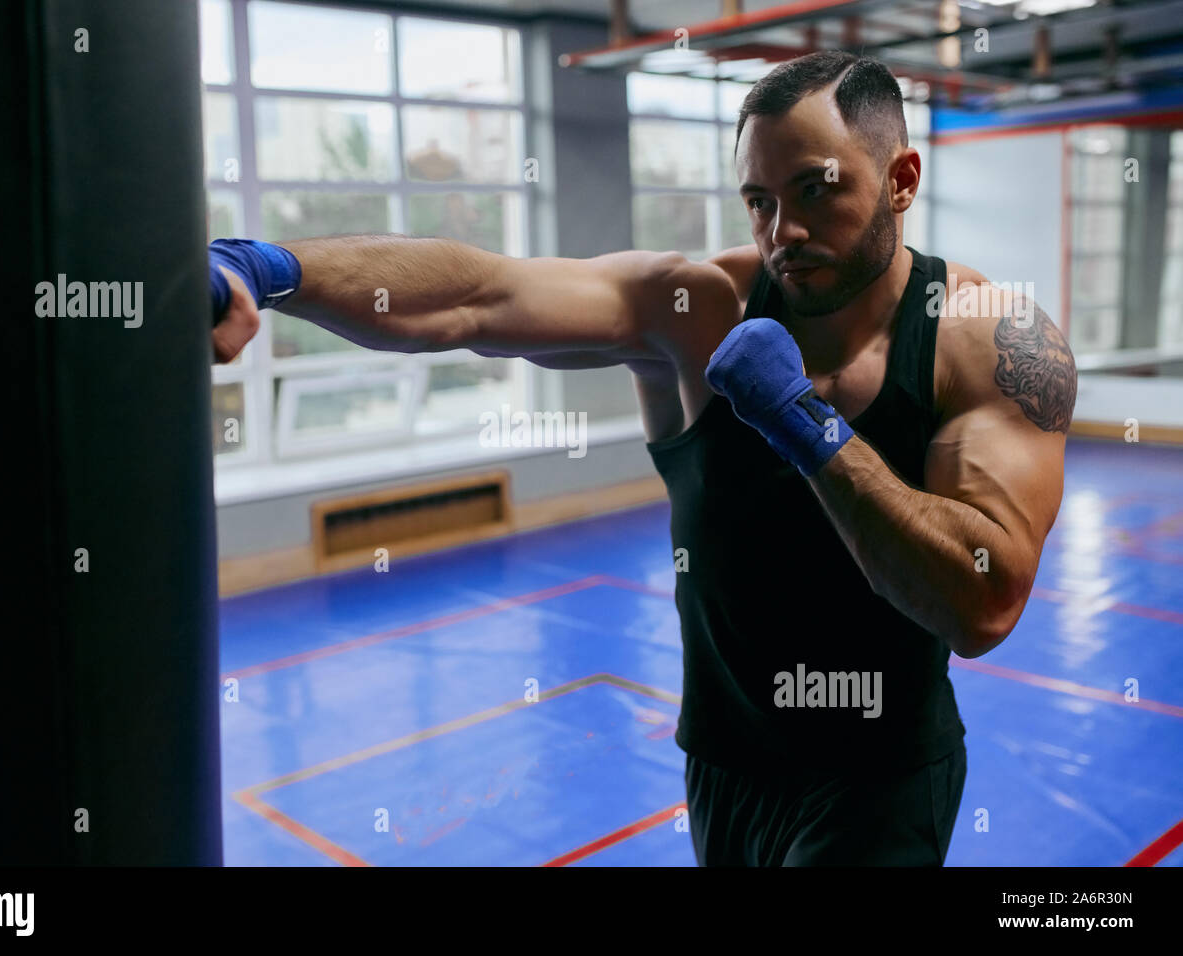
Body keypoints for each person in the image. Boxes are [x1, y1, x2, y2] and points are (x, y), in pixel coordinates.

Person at [206, 51, 1076, 866]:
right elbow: (480, 296)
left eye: (816, 190)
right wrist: (274, 268)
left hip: (883, 776)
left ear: (901, 179)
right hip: (724, 767)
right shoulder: (698, 306)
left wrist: (803, 421)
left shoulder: (988, 338)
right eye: (760, 200)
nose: (786, 231)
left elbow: (984, 601)